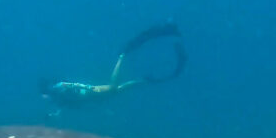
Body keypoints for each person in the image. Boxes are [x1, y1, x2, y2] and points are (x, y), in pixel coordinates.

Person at [40, 23, 187, 111]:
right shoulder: (56, 97)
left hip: (92, 93)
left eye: (43, 95)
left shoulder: (57, 87)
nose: (43, 98)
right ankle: (144, 80)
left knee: (113, 87)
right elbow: (67, 104)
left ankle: (122, 56)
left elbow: (72, 85)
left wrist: (88, 88)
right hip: (91, 98)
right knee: (120, 89)